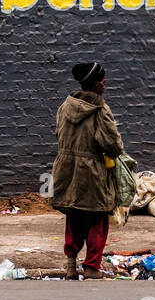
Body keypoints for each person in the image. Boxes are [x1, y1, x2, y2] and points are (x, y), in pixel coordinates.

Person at [50, 62, 124, 280]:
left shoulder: (65, 106)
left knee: (74, 215)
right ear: (95, 83)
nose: (105, 83)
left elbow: (58, 134)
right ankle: (91, 266)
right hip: (91, 171)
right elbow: (112, 145)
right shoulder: (100, 109)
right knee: (98, 217)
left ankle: (71, 264)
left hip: (65, 169)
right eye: (102, 80)